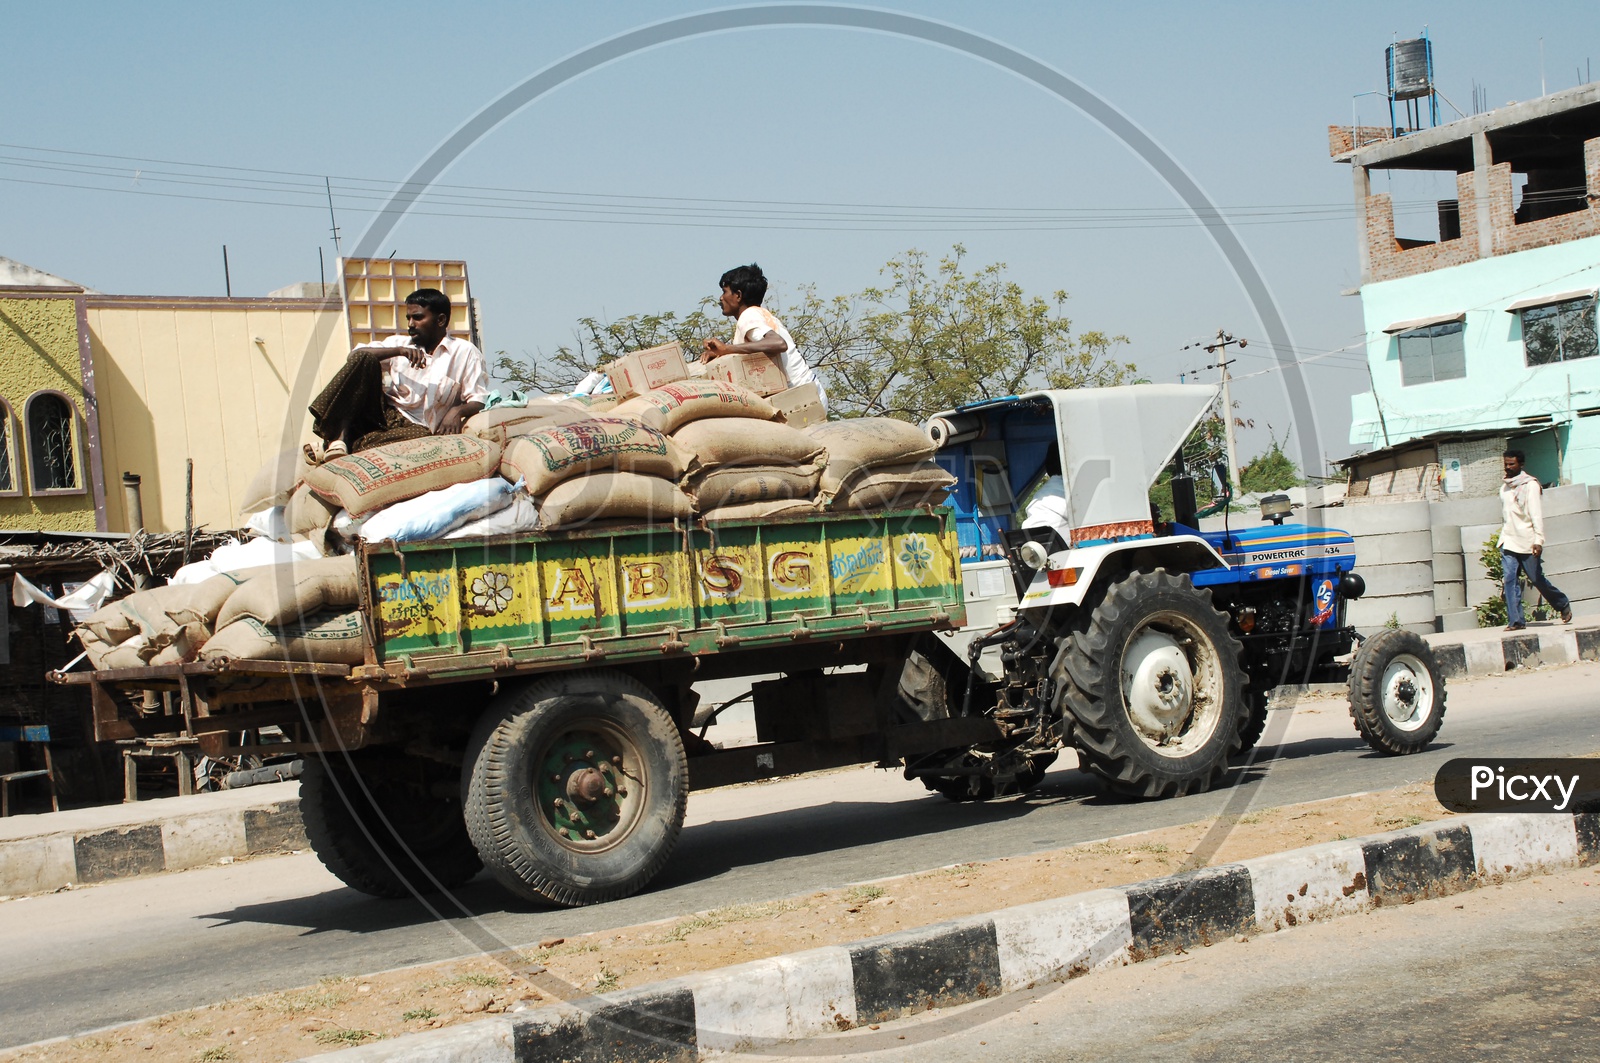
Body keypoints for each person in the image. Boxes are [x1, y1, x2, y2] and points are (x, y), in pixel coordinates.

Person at [307, 288, 488, 460]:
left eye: (417, 318)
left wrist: (457, 411)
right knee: (365, 359)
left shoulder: (465, 353)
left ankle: (339, 446)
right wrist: (399, 351)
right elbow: (355, 356)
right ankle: (337, 439)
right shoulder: (399, 344)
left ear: (440, 320)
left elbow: (478, 399)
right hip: (383, 416)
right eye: (408, 318)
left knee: (422, 439)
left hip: (415, 428)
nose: (410, 324)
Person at [702, 263, 826, 409]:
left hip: (801, 397)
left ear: (738, 295)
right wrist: (720, 354)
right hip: (810, 392)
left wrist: (726, 349)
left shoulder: (749, 316)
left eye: (724, 292)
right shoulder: (760, 314)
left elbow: (778, 344)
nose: (721, 298)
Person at [1498, 449, 1572, 631]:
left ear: (1521, 465)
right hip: (1508, 540)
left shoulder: (1530, 485)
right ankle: (1516, 621)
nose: (1508, 468)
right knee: (1509, 579)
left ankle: (1561, 603)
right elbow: (1507, 516)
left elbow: (1536, 515)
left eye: (1511, 464)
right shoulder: (1505, 487)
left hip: (1527, 541)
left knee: (1536, 579)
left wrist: (1538, 540)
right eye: (1506, 464)